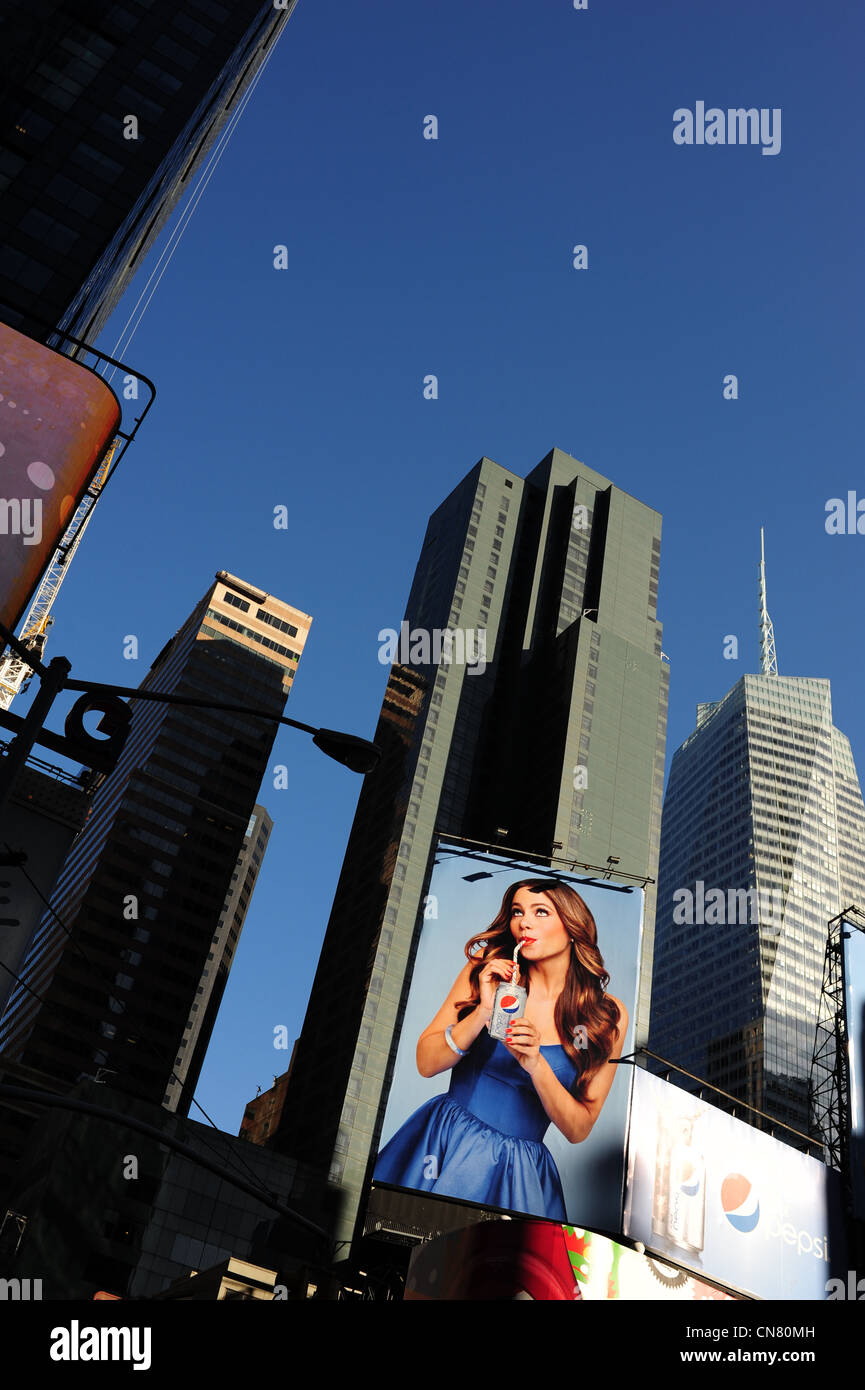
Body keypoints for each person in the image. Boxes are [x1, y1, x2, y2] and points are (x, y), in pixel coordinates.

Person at [374, 878, 627, 1221]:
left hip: (520, 1175)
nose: (525, 922)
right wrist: (482, 1012)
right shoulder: (487, 968)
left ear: (572, 927)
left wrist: (537, 1065)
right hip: (443, 1143)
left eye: (541, 912)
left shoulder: (605, 1014)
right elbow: (426, 1062)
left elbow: (578, 1128)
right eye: (517, 912)